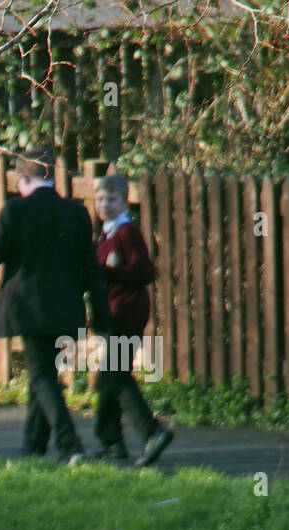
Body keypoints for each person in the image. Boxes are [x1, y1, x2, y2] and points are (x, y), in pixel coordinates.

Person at [0, 148, 112, 465]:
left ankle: (71, 446)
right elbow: (92, 271)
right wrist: (101, 316)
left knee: (41, 377)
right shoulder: (77, 214)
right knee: (44, 375)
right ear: (51, 177)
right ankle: (33, 448)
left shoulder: (15, 211)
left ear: (23, 178)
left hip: (28, 309)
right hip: (66, 309)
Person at [92, 172, 174, 467]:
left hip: (127, 313)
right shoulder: (104, 234)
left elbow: (145, 272)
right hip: (112, 313)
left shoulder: (127, 233)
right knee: (108, 378)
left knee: (115, 376)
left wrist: (108, 273)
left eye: (111, 199)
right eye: (100, 199)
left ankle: (153, 432)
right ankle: (111, 442)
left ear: (125, 201)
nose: (105, 204)